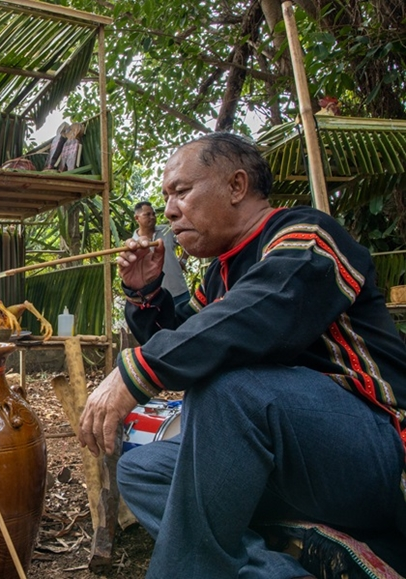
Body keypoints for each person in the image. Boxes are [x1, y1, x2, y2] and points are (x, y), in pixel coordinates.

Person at [78, 132, 406, 578]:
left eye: (181, 192)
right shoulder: (219, 274)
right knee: (143, 469)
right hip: (287, 463)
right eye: (166, 197)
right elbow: (187, 335)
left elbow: (260, 313)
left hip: (379, 450)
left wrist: (135, 373)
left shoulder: (305, 235)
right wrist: (146, 292)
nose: (170, 211)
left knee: (231, 388)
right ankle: (282, 568)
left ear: (236, 186)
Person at [132, 201, 190, 305]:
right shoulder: (133, 244)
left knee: (190, 321)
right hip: (155, 298)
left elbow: (188, 241)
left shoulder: (167, 231)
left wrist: (183, 260)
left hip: (179, 291)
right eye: (147, 214)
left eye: (153, 214)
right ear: (137, 218)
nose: (152, 217)